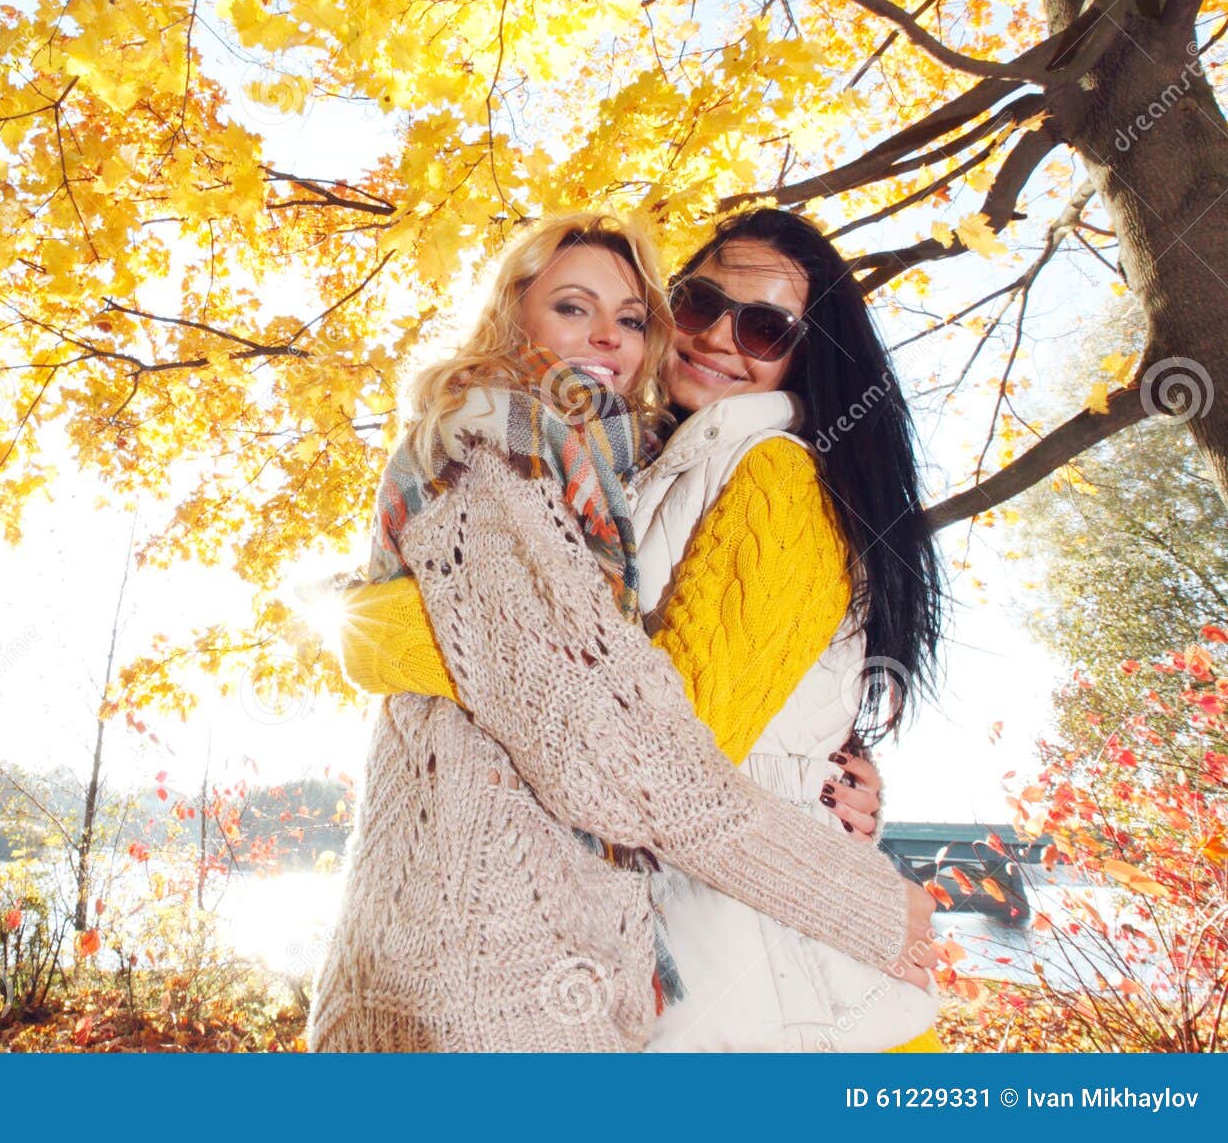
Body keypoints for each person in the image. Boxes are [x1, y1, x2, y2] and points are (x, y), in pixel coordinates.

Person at [305, 211, 938, 1053]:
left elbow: (646, 737)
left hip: (781, 997)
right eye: (697, 302)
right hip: (687, 975)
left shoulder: (776, 477)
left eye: (762, 325)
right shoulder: (617, 472)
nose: (716, 336)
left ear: (806, 354)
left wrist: (400, 629)